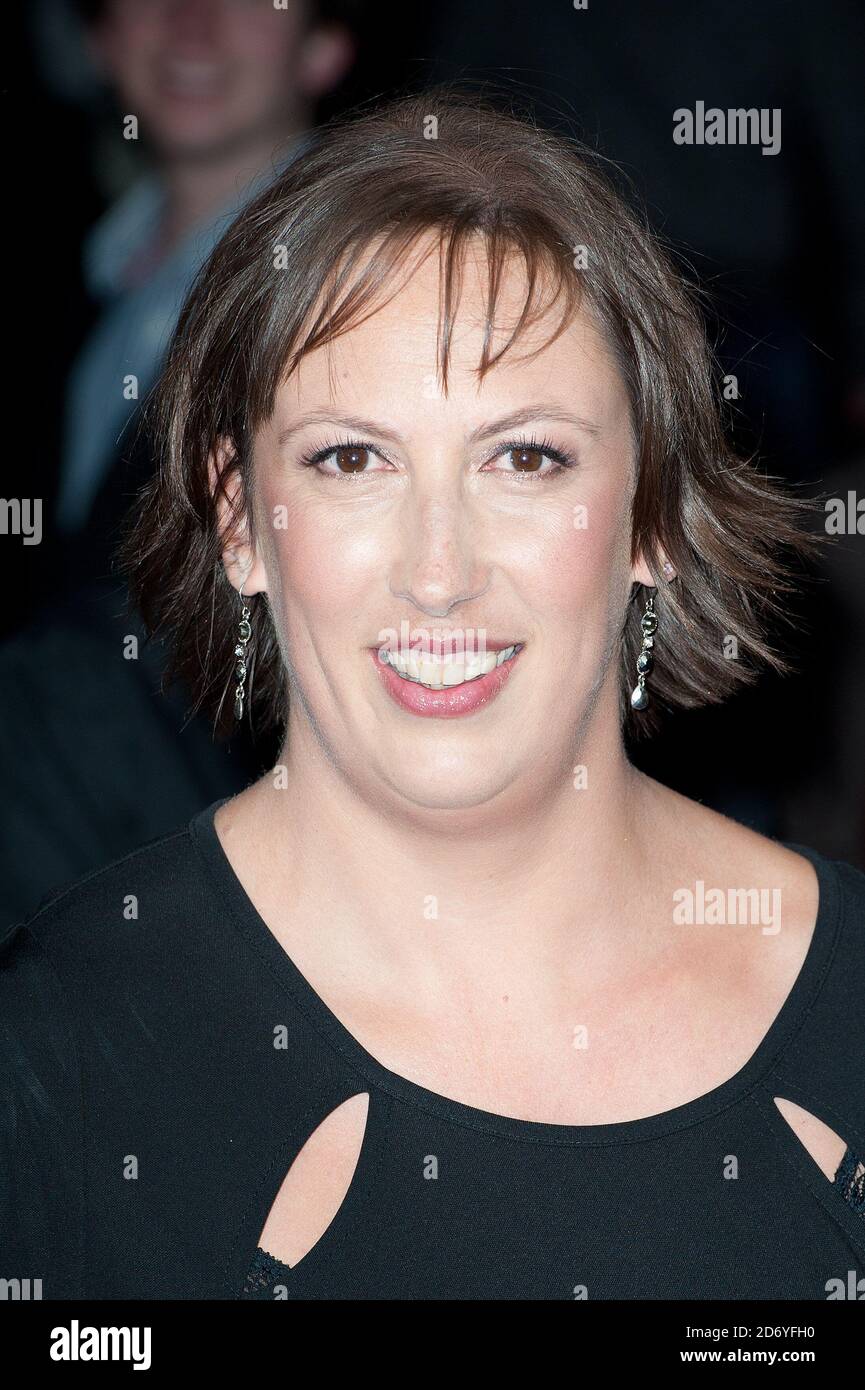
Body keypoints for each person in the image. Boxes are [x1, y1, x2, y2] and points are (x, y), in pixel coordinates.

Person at [2, 89, 863, 1301]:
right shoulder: (60, 1050)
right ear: (241, 521)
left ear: (652, 514)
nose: (439, 570)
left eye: (525, 457)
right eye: (351, 458)